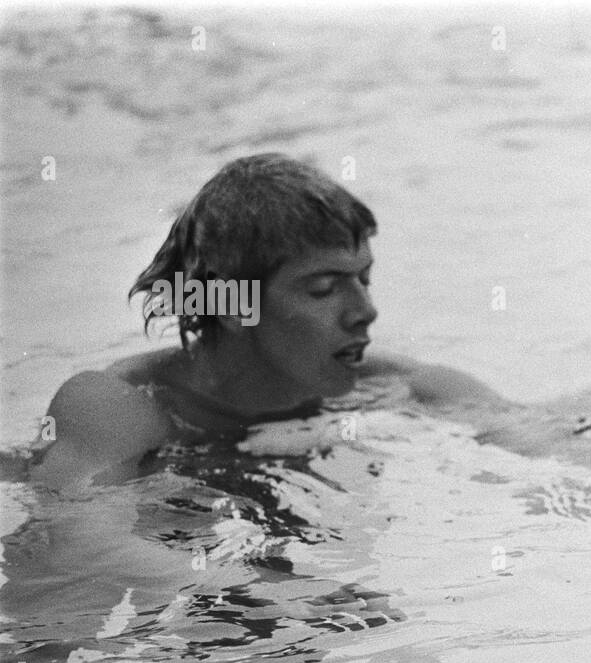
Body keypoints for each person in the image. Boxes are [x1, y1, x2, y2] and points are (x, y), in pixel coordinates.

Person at [29, 153, 501, 492]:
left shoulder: (400, 387)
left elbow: (548, 435)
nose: (366, 310)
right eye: (323, 288)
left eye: (364, 279)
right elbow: (79, 555)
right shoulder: (119, 410)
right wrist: (288, 595)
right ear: (236, 304)